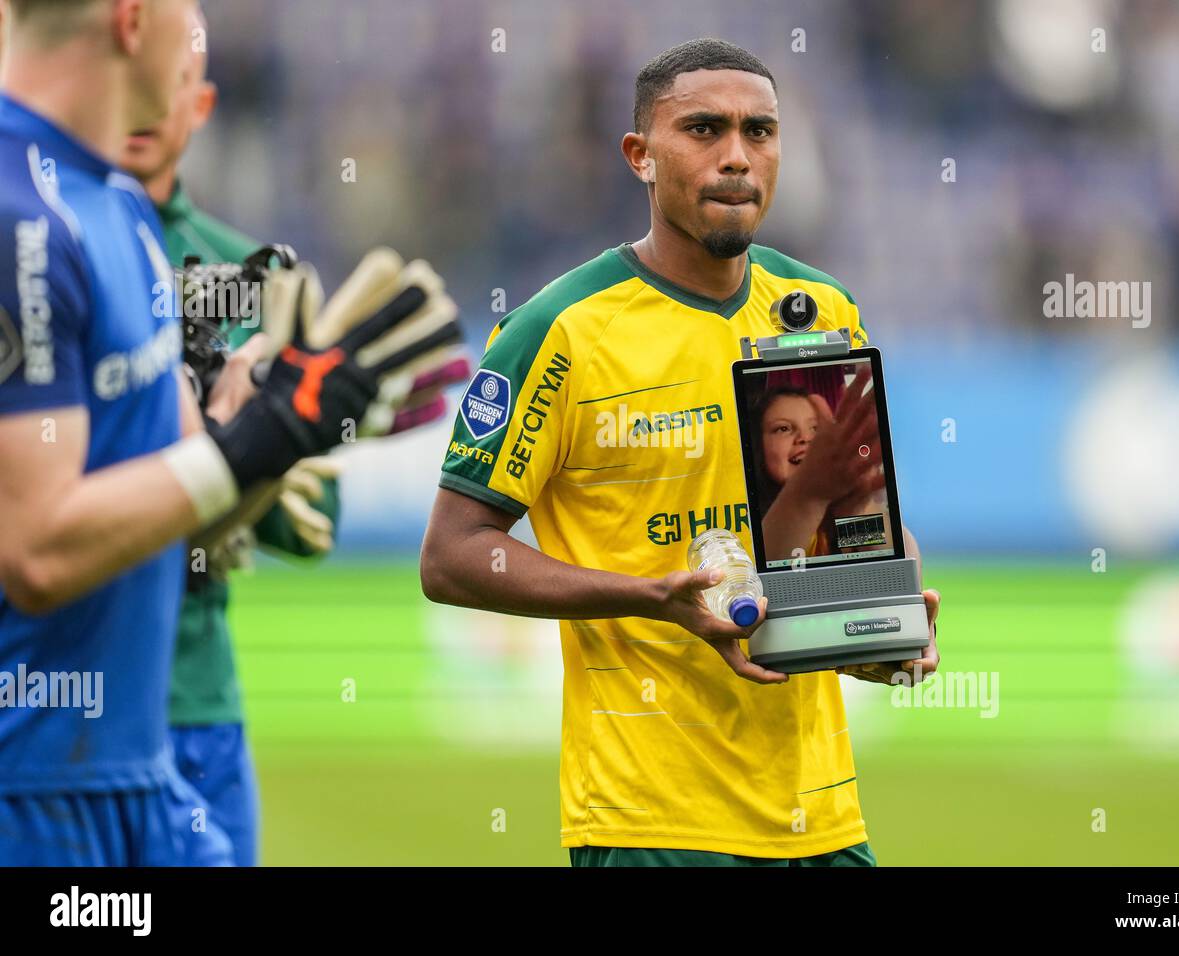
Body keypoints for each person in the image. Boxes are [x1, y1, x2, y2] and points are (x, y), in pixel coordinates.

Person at [422, 38, 941, 867]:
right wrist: (650, 596)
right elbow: (451, 557)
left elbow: (860, 520)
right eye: (704, 130)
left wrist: (889, 614)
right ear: (640, 156)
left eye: (760, 132)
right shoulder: (559, 331)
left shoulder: (821, 310)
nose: (738, 156)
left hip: (822, 818)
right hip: (650, 824)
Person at [0, 0, 453, 865]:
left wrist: (277, 439)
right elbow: (37, 553)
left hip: (139, 783)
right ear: (132, 20)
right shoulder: (18, 212)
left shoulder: (118, 211)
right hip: (29, 789)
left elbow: (185, 495)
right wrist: (258, 441)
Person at [115, 4, 338, 867]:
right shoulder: (37, 241)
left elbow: (324, 504)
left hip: (196, 689)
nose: (142, 107)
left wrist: (256, 490)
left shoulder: (246, 271)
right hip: (55, 685)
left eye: (166, 86)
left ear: (200, 105)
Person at [753, 379, 893, 562]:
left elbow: (896, 569)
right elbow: (767, 579)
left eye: (815, 428)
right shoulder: (749, 522)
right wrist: (810, 493)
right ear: (758, 446)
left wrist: (858, 511)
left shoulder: (841, 511)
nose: (805, 438)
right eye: (783, 428)